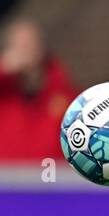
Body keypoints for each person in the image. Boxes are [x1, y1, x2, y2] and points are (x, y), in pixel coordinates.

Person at [0, 18, 76, 163]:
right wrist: (3, 68)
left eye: (30, 44)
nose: (25, 51)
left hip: (52, 180)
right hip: (6, 181)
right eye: (19, 46)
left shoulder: (65, 97)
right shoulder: (3, 94)